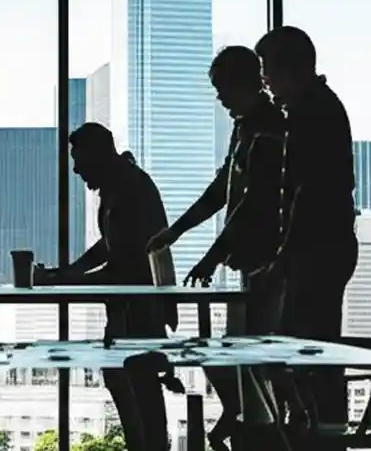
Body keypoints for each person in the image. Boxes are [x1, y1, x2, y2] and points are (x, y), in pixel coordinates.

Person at [145, 46, 287, 449]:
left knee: (250, 352)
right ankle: (247, 422)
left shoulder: (267, 129)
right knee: (237, 352)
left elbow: (252, 203)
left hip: (268, 261)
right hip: (252, 258)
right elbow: (221, 192)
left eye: (224, 89)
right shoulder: (245, 127)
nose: (221, 99)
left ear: (247, 83)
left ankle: (263, 432)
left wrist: (211, 256)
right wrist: (175, 232)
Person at [38, 123, 175, 451]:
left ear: (98, 155)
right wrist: (69, 273)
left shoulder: (128, 189)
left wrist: (67, 281)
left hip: (137, 311)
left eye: (79, 160)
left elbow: (123, 266)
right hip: (132, 309)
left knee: (138, 393)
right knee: (133, 390)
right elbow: (111, 245)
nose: (75, 169)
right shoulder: (122, 185)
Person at [254, 26, 358, 433]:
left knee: (302, 347)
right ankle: (318, 428)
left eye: (267, 71)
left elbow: (305, 192)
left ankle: (315, 430)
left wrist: (282, 258)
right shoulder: (321, 107)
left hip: (316, 250)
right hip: (327, 246)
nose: (264, 81)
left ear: (288, 69)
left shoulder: (308, 113)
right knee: (314, 347)